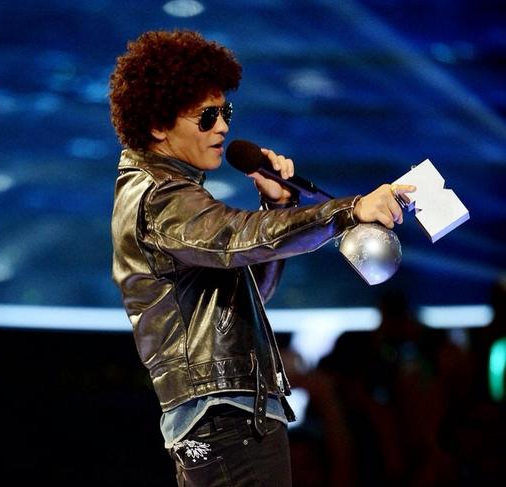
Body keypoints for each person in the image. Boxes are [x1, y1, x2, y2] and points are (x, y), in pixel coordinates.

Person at [109, 29, 414, 487]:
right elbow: (238, 235)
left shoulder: (165, 193)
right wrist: (350, 210)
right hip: (223, 419)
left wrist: (278, 204)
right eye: (207, 116)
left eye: (225, 112)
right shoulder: (160, 198)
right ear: (158, 124)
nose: (223, 127)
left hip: (225, 414)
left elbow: (248, 296)